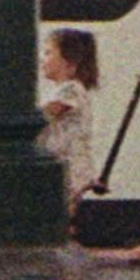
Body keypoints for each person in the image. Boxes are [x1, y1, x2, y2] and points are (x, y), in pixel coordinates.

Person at [41, 28, 101, 214]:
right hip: (61, 166)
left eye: (49, 53)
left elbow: (50, 112)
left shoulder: (71, 89)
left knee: (57, 213)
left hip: (68, 168)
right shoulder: (61, 90)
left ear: (69, 63)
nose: (43, 59)